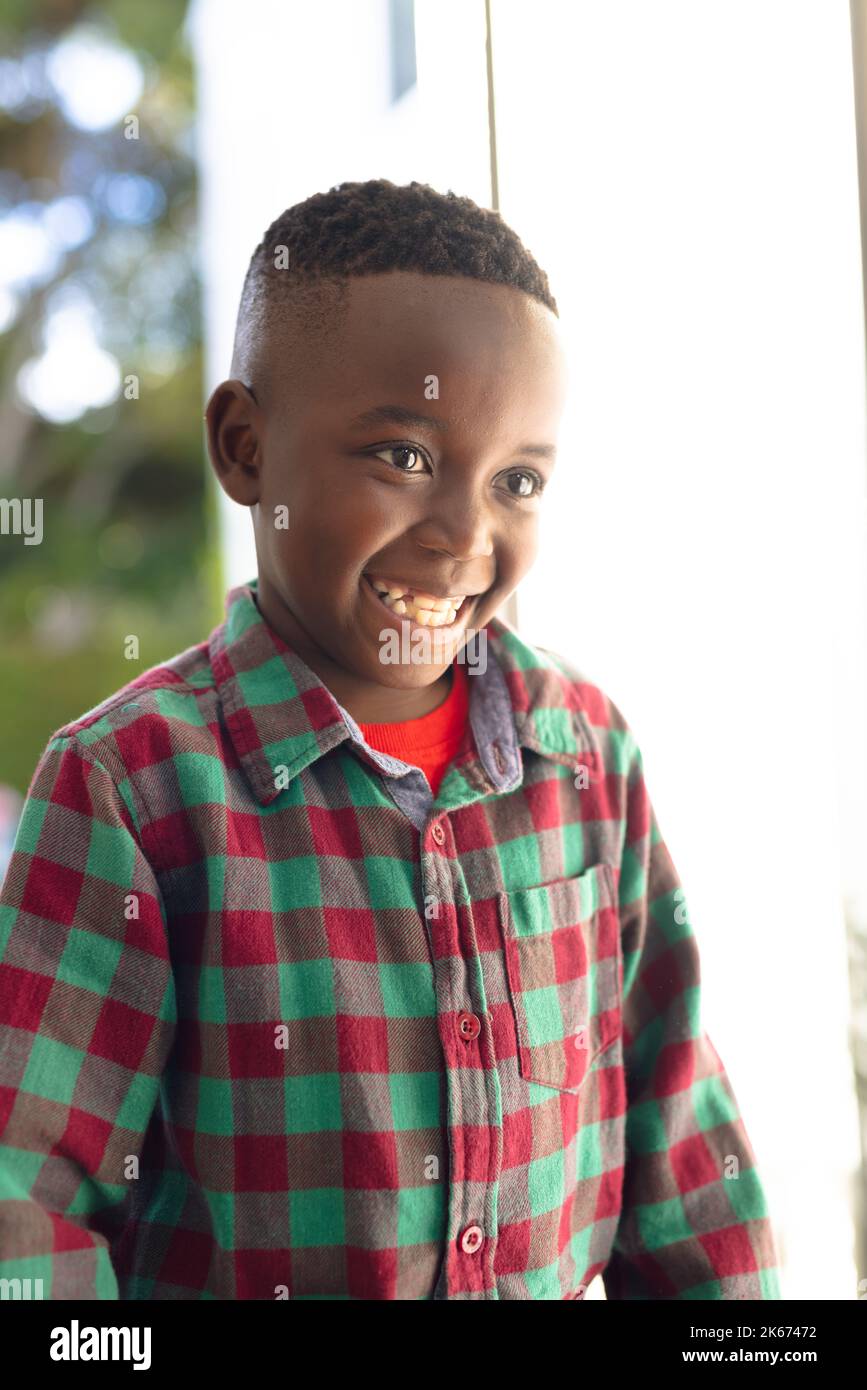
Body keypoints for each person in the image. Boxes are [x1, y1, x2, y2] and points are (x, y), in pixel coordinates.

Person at [0, 179, 781, 1299]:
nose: (467, 535)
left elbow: (687, 1165)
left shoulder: (589, 757)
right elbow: (29, 1205)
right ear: (245, 447)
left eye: (518, 480)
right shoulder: (131, 789)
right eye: (404, 457)